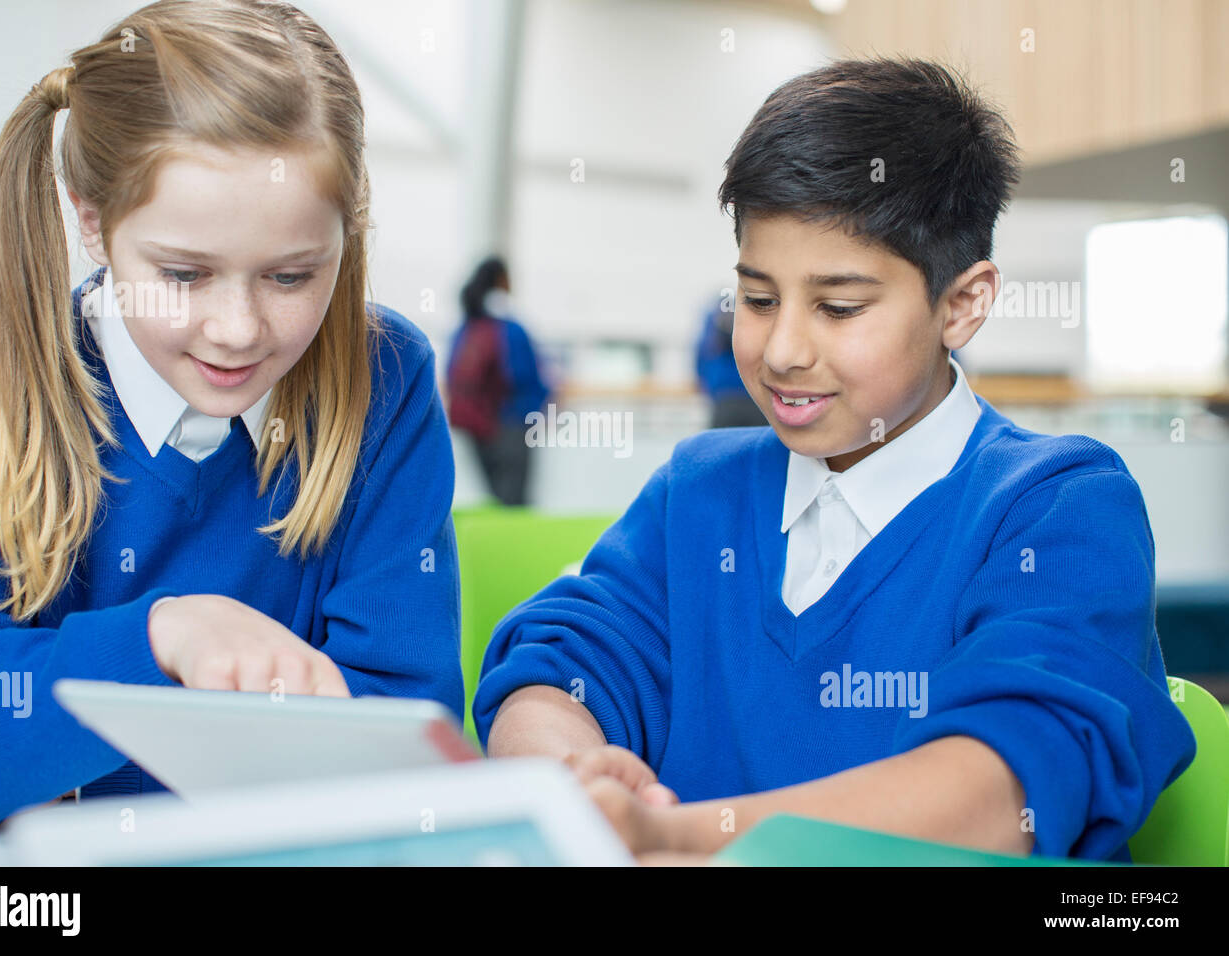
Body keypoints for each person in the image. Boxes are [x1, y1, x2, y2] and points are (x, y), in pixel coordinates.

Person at [473, 58, 1194, 862]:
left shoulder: (1055, 506)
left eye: (839, 307)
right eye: (757, 298)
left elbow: (1003, 791)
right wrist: (575, 787)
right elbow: (560, 662)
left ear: (963, 303)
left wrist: (674, 837)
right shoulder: (698, 493)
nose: (782, 350)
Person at [0, 0, 461, 836]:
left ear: (348, 232)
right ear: (93, 221)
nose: (239, 329)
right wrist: (159, 641)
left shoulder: (386, 384)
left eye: (291, 277)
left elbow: (406, 738)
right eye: (182, 274)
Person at [446, 256, 548, 505]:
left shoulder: (466, 330)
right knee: (515, 503)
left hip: (476, 428)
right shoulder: (511, 330)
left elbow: (451, 375)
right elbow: (526, 377)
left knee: (497, 500)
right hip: (512, 424)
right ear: (501, 281)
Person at [694, 298, 768, 428]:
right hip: (751, 399)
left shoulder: (711, 329)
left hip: (725, 398)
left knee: (720, 444)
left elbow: (700, 360)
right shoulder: (752, 325)